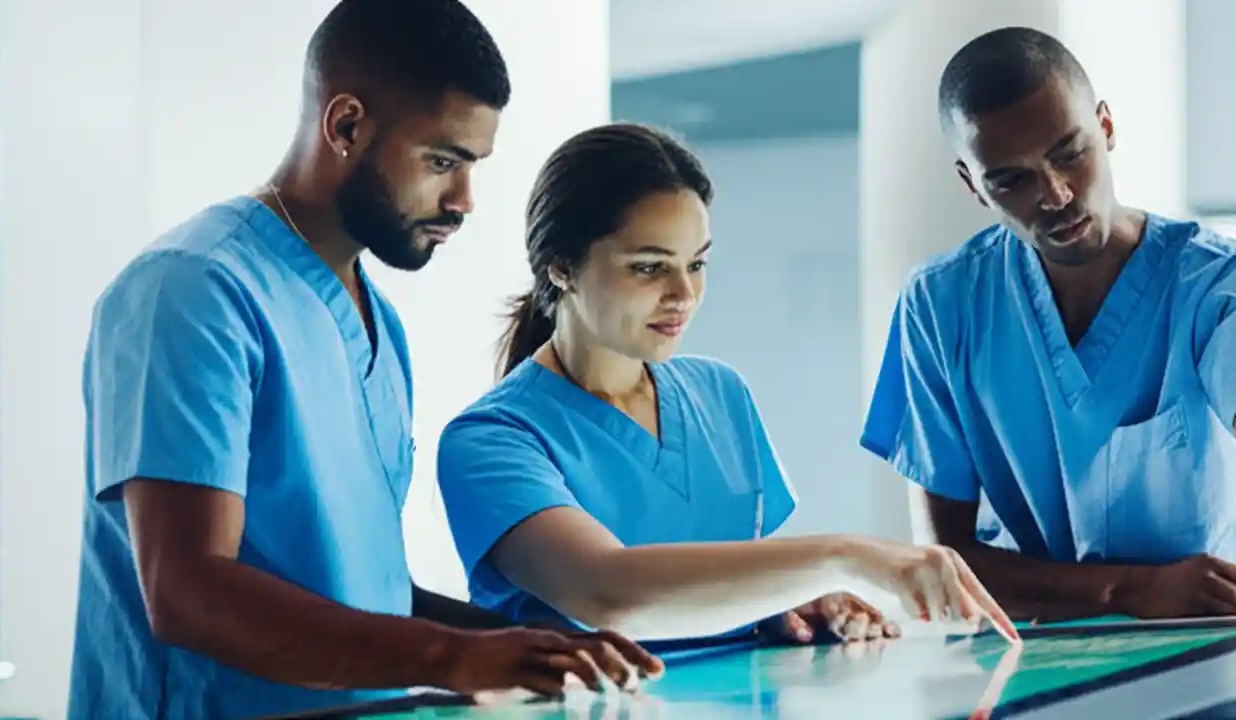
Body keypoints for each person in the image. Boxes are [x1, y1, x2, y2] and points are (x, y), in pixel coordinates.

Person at [67, 3, 658, 719]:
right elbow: (187, 592)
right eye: (443, 161)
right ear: (346, 125)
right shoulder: (192, 290)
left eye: (473, 167)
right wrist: (452, 656)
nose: (464, 200)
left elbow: (362, 596)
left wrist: (528, 640)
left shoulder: (380, 323)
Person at [435, 123, 1019, 648]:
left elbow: (745, 579)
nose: (683, 294)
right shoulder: (492, 440)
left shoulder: (721, 393)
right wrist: (846, 556)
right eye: (648, 266)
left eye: (697, 264)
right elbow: (609, 596)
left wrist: (794, 602)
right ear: (561, 266)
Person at [860, 26, 1236, 623]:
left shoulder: (1212, 285)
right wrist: (1129, 591)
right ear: (973, 185)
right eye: (1012, 179)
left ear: (1106, 128)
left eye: (1069, 153)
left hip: (1203, 644)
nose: (1056, 195)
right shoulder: (940, 306)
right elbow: (943, 562)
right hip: (1025, 667)